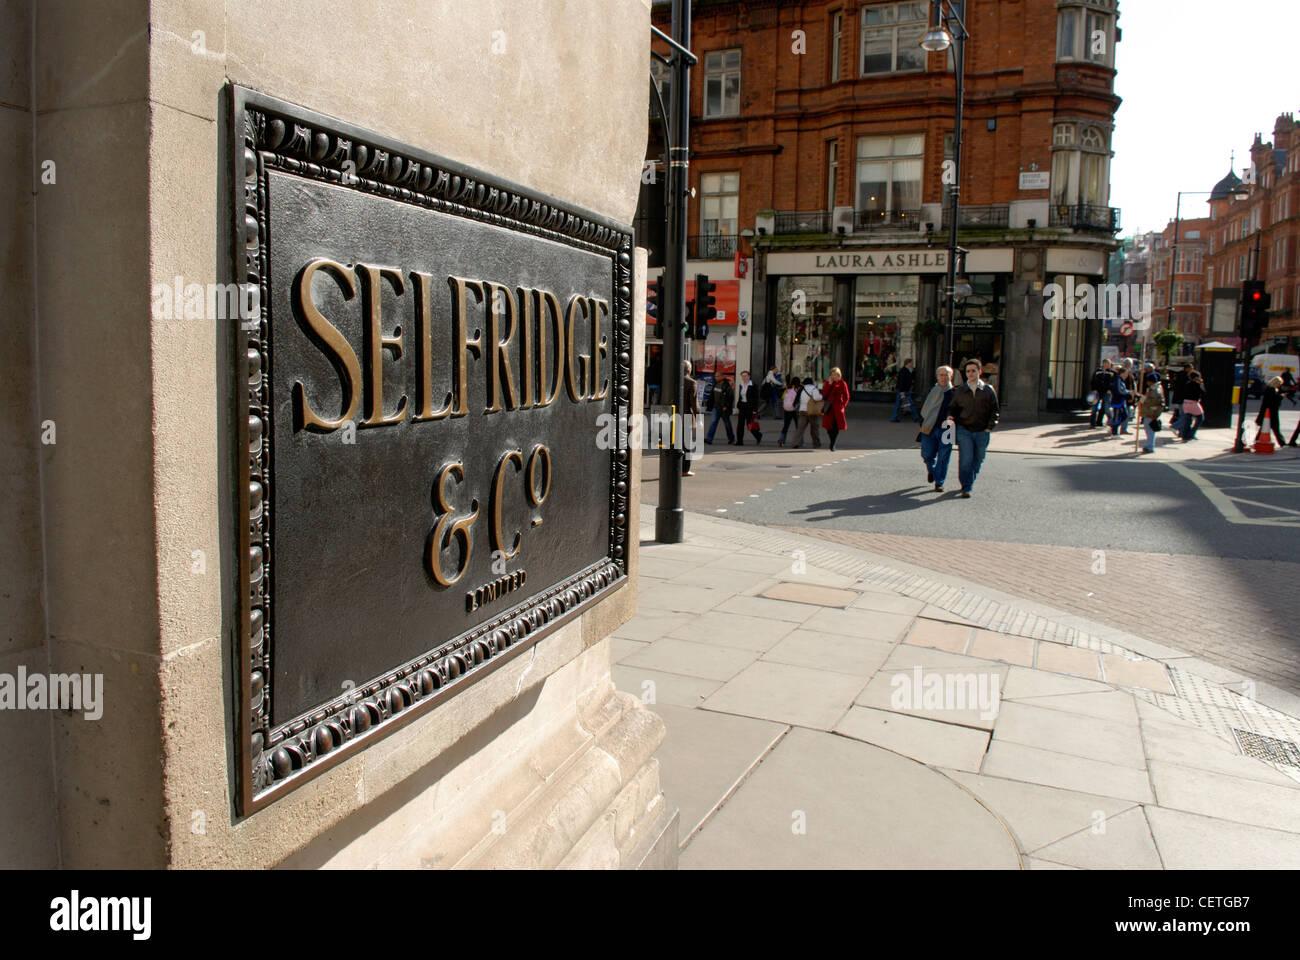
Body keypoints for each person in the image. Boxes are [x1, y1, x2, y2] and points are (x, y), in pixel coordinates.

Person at [948, 358, 999, 498]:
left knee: (979, 459)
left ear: (979, 372)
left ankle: (969, 480)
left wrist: (990, 427)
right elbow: (952, 408)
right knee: (966, 459)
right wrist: (950, 417)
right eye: (968, 371)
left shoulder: (988, 390)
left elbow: (995, 410)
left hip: (983, 431)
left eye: (973, 371)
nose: (970, 373)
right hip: (964, 430)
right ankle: (966, 487)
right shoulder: (960, 390)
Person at [918, 365, 955, 491]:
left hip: (947, 429)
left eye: (946, 375)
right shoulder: (931, 391)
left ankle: (939, 482)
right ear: (937, 376)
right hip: (929, 428)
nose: (943, 377)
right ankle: (932, 471)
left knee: (944, 457)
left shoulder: (955, 393)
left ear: (951, 376)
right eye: (941, 375)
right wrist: (921, 421)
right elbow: (923, 408)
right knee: (927, 455)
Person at [821, 367, 850, 452]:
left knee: (836, 427)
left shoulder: (843, 383)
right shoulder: (828, 383)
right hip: (829, 408)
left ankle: (833, 444)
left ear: (839, 375)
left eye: (835, 375)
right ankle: (832, 441)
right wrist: (829, 384)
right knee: (828, 426)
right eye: (832, 375)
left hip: (838, 408)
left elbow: (847, 396)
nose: (833, 376)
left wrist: (843, 405)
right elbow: (824, 394)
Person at [790, 377, 823, 448]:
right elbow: (817, 398)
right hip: (812, 411)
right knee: (814, 428)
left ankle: (795, 443)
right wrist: (822, 396)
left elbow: (797, 399)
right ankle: (816, 443)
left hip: (802, 411)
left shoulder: (801, 389)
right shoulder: (814, 389)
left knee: (800, 429)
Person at [1137, 374, 1164, 454]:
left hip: (1151, 412)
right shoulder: (1156, 388)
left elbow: (1153, 401)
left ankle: (1150, 446)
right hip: (1151, 411)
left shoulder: (1155, 390)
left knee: (1150, 431)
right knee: (1150, 431)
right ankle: (1149, 445)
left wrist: (1143, 400)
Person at [704, 375, 735, 444]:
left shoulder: (727, 386)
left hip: (724, 408)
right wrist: (709, 405)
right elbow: (712, 395)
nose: (716, 377)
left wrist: (726, 406)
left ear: (722, 377)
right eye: (715, 376)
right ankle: (709, 439)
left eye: (718, 376)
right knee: (713, 422)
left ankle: (731, 438)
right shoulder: (715, 384)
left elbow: (730, 397)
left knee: (727, 424)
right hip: (716, 407)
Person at [1257, 376, 1286, 446]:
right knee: (1275, 427)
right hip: (1271, 412)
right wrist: (1281, 396)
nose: (1280, 385)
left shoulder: (1270, 389)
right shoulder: (1271, 390)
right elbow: (1272, 401)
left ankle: (1257, 439)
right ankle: (1282, 442)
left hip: (1267, 411)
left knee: (1264, 427)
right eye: (1279, 383)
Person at [890, 359, 921, 423]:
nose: (912, 364)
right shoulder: (904, 370)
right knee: (908, 404)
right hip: (903, 390)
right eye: (911, 363)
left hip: (904, 390)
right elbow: (901, 381)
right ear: (908, 363)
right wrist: (902, 391)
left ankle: (894, 417)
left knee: (900, 404)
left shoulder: (906, 370)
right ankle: (915, 417)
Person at [1178, 371, 1206, 442]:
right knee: (1200, 418)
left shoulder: (1187, 384)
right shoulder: (1197, 384)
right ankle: (1191, 433)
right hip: (1193, 403)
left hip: (1186, 403)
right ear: (1196, 378)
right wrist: (1201, 384)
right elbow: (1203, 392)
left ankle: (1185, 435)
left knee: (1187, 420)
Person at [1088, 359, 1114, 428]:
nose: (1106, 365)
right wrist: (1094, 389)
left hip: (1106, 392)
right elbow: (1093, 381)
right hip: (1097, 391)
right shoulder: (1098, 371)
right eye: (1105, 363)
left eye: (1108, 363)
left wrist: (1111, 389)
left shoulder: (1112, 372)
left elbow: (1114, 382)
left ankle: (1110, 420)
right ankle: (1092, 423)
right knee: (1094, 408)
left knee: (1106, 408)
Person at [733, 370, 757, 445]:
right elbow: (741, 395)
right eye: (742, 376)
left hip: (750, 406)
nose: (744, 377)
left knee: (749, 424)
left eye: (745, 376)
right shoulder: (741, 384)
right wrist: (738, 404)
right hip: (742, 406)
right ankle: (739, 441)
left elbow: (756, 398)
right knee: (740, 424)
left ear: (749, 376)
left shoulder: (753, 385)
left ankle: (758, 436)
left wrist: (755, 409)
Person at [778, 373, 800, 447]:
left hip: (786, 408)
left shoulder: (788, 388)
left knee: (786, 425)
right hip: (794, 409)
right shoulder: (797, 389)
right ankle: (799, 441)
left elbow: (783, 397)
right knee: (799, 426)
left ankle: (781, 440)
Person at [1108, 364, 1131, 436]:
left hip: (1121, 401)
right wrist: (1127, 394)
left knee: (1124, 415)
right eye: (1126, 374)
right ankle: (1114, 431)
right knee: (1118, 416)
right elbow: (1119, 390)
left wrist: (1128, 392)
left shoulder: (1121, 380)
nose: (1127, 375)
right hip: (1118, 401)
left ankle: (1113, 427)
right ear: (1123, 373)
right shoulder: (1118, 379)